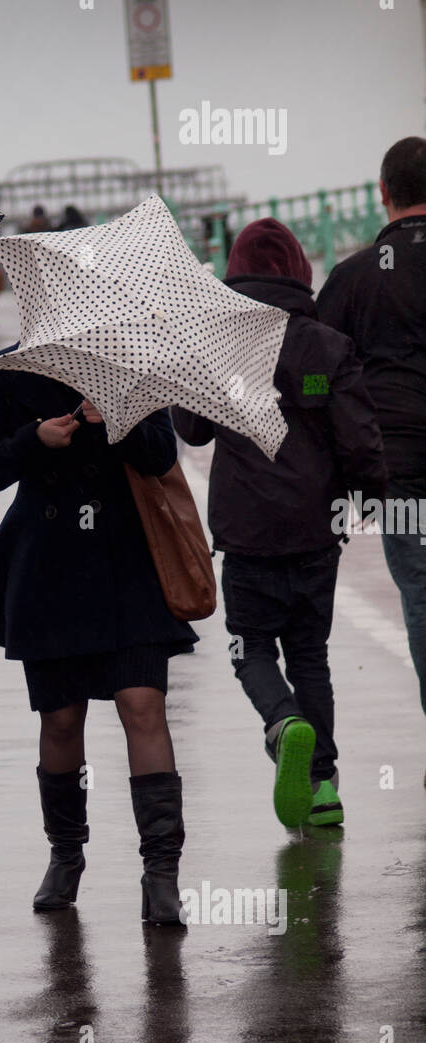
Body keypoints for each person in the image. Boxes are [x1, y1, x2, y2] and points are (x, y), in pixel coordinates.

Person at [0, 353, 196, 924]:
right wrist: (33, 440)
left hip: (128, 567)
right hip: (47, 570)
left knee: (143, 707)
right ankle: (66, 856)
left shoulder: (131, 360)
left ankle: (161, 872)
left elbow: (163, 455)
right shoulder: (8, 370)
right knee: (60, 720)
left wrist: (118, 416)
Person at [172, 219, 385, 828]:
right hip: (317, 529)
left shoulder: (222, 345)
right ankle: (323, 787)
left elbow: (190, 429)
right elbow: (360, 440)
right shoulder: (324, 345)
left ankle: (281, 720)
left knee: (252, 648)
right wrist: (365, 498)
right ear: (300, 272)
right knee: (311, 653)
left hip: (246, 533)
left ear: (235, 277)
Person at [316, 137, 426, 747]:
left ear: (382, 194)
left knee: (422, 592)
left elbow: (315, 372)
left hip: (399, 465)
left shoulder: (354, 278)